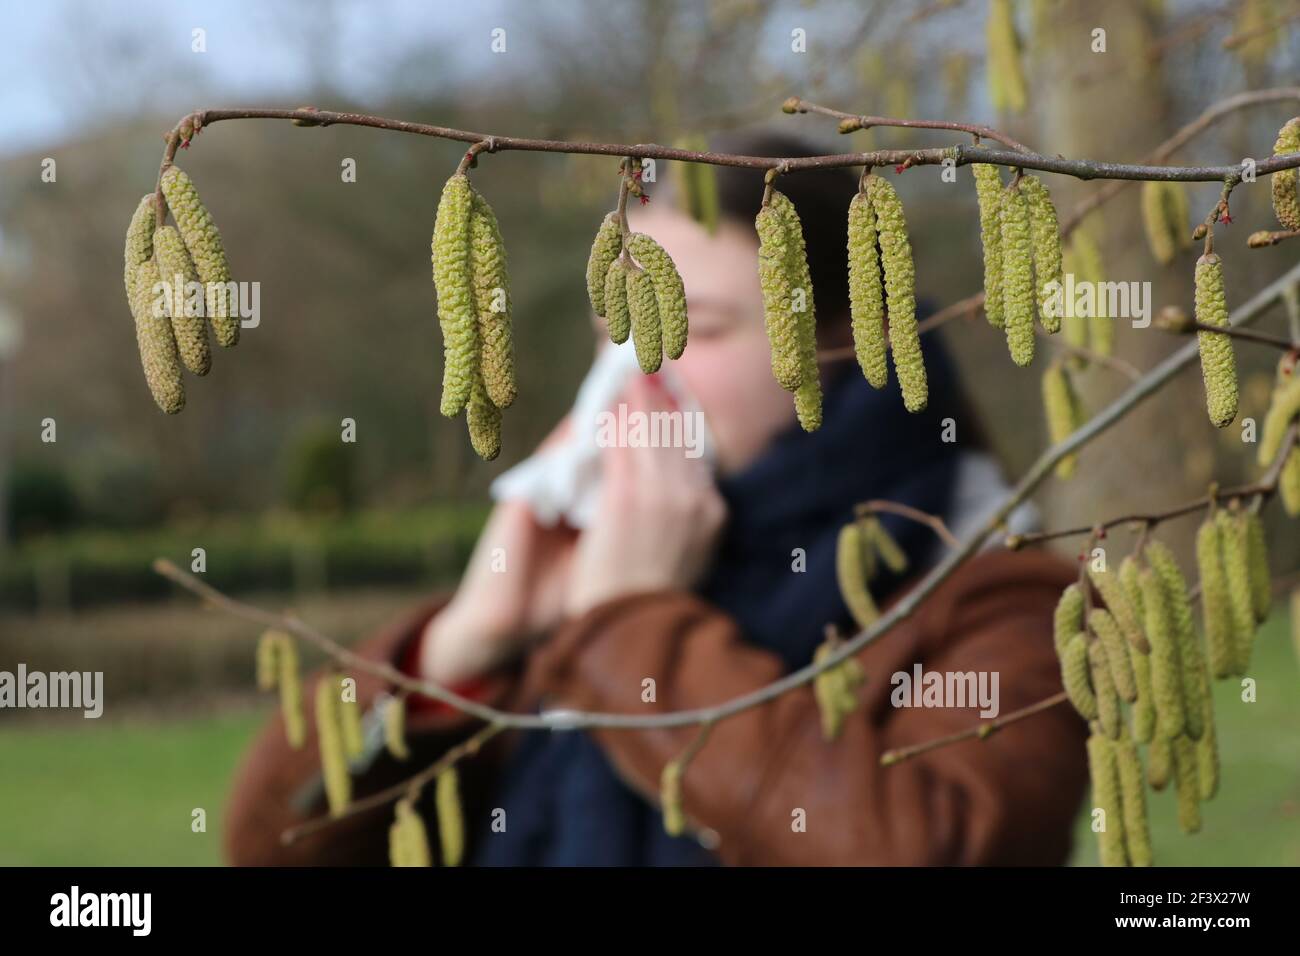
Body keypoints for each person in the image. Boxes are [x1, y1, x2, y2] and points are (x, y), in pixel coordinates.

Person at [225, 132, 1088, 867]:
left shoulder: (993, 599)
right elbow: (269, 850)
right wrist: (448, 659)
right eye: (614, 332)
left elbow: (920, 851)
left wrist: (635, 629)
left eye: (698, 327)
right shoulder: (573, 580)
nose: (634, 373)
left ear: (843, 343)